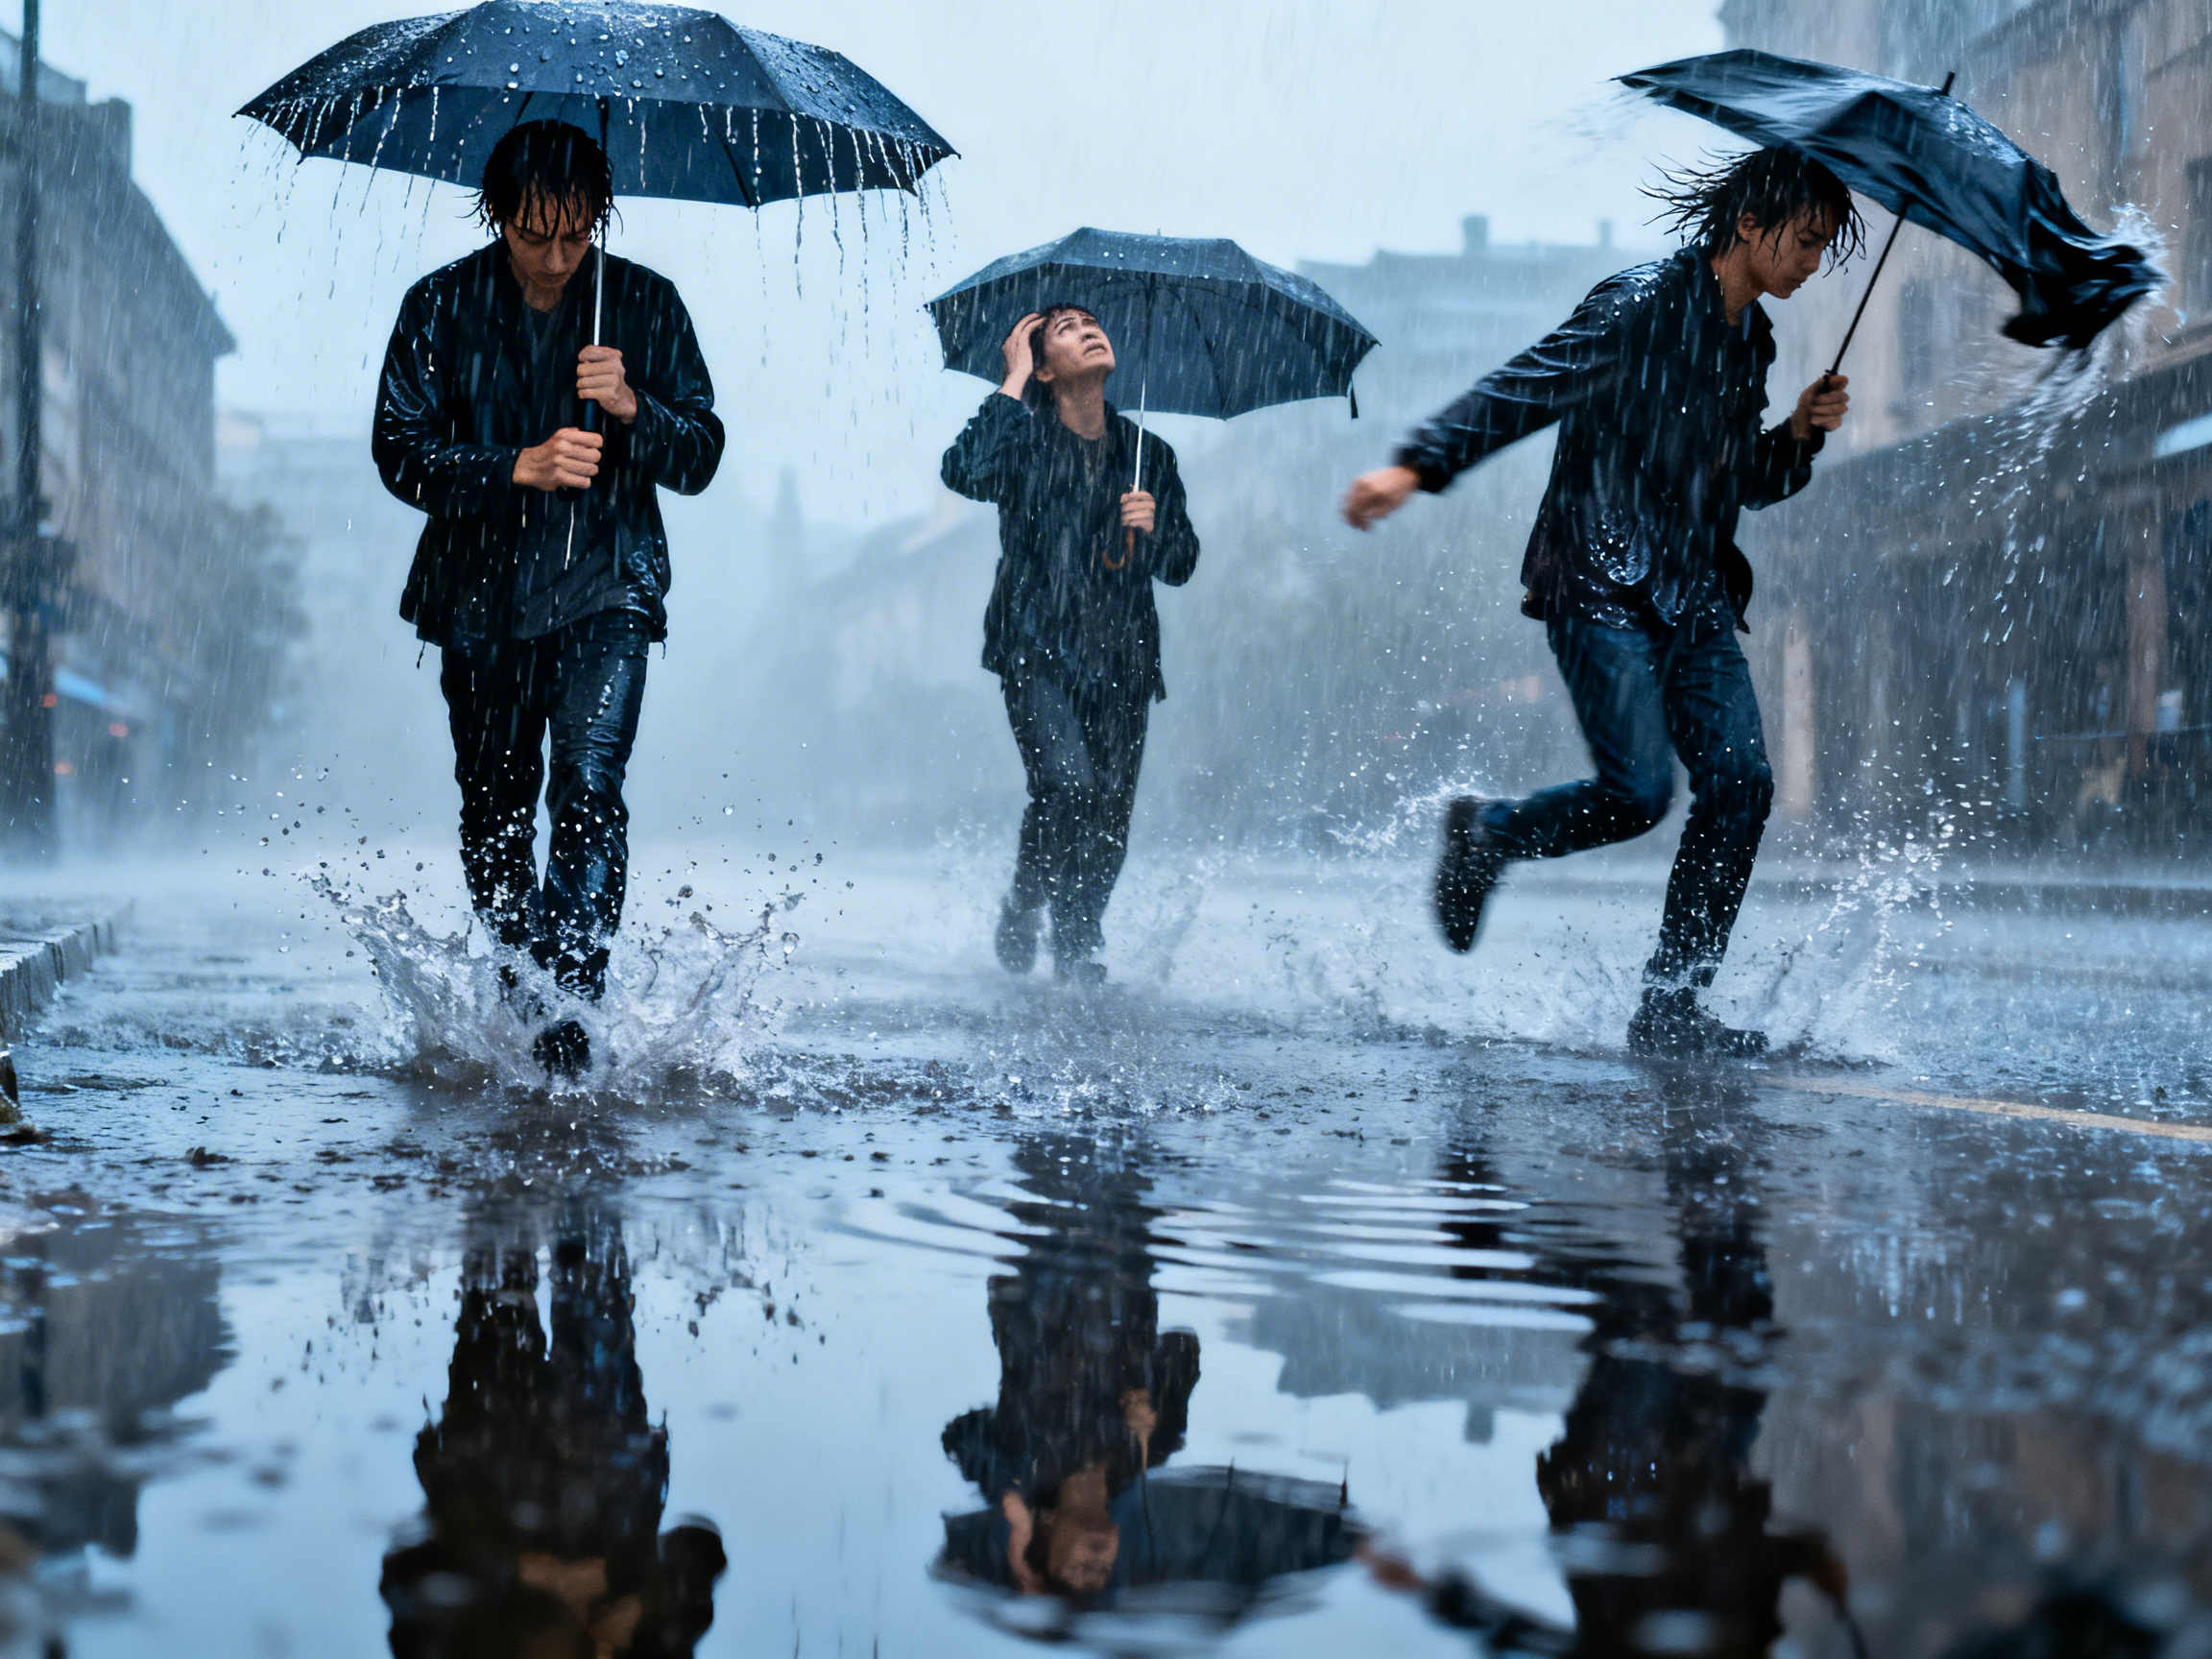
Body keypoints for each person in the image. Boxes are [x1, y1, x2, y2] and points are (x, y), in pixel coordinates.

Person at [1341, 147, 1858, 1057]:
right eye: (1806, 241)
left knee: (1742, 786)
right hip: (1598, 573)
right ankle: (1487, 835)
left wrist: (1799, 436)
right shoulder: (1641, 302)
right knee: (1637, 792)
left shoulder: (1753, 340)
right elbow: (1531, 383)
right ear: (1748, 222)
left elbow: (1738, 480)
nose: (1813, 263)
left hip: (1693, 591)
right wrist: (1418, 464)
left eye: (1823, 248)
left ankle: (1671, 1008)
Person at [373, 120, 724, 1076]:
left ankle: (572, 1010)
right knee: (493, 808)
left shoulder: (642, 307)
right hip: (478, 599)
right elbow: (398, 451)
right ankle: (520, 979)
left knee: (589, 792)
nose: (559, 257)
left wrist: (633, 410)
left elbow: (700, 454)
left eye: (577, 235)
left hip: (607, 591)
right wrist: (513, 466)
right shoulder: (441, 306)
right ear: (499, 216)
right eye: (536, 235)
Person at [941, 307, 1200, 984]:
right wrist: (1013, 378)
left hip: (1124, 659)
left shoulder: (1150, 456)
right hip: (1036, 651)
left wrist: (1157, 528)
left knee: (1108, 813)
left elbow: (1181, 563)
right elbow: (963, 471)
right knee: (1067, 786)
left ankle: (1049, 912)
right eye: (1066, 328)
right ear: (1048, 367)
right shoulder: (1023, 443)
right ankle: (1071, 932)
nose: (1089, 329)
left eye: (1094, 322)